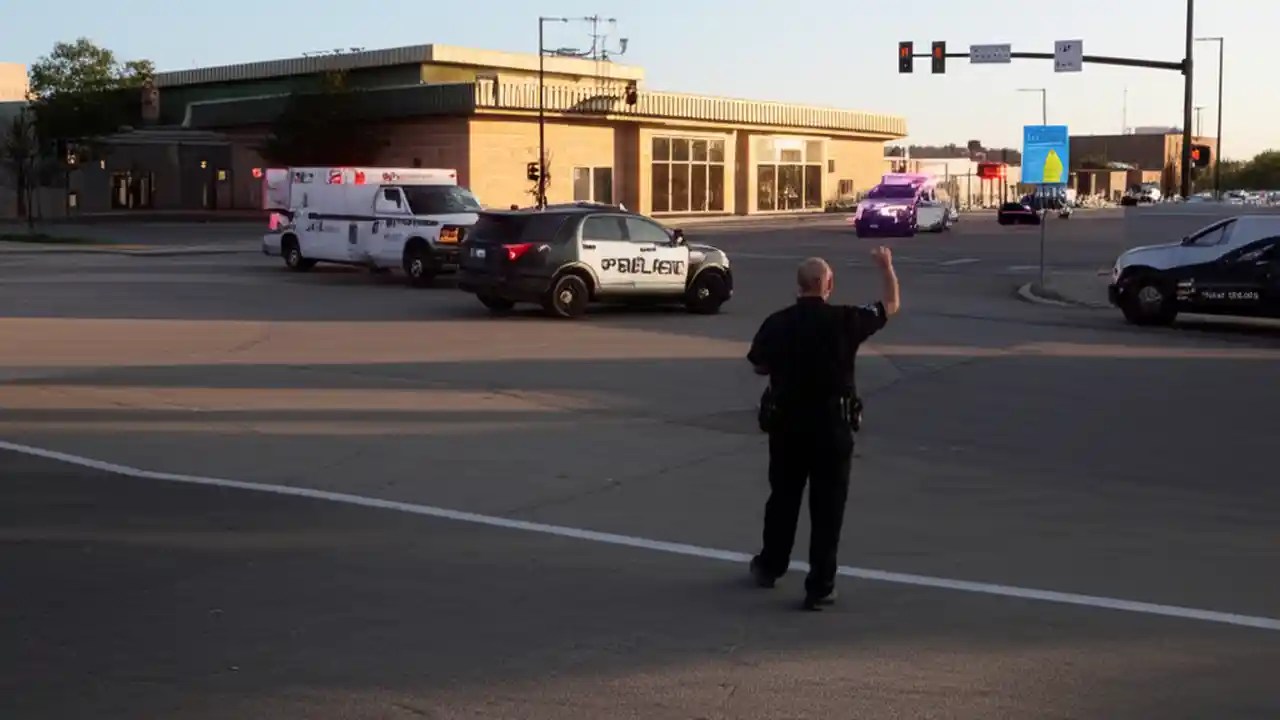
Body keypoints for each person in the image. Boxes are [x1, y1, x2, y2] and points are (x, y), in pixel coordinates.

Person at [746, 248, 900, 610]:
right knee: (828, 509)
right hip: (832, 428)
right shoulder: (847, 320)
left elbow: (759, 366)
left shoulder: (777, 323)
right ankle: (820, 586)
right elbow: (891, 304)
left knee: (783, 499)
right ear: (828, 285)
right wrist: (887, 267)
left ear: (799, 287)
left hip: (787, 427)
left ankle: (770, 566)